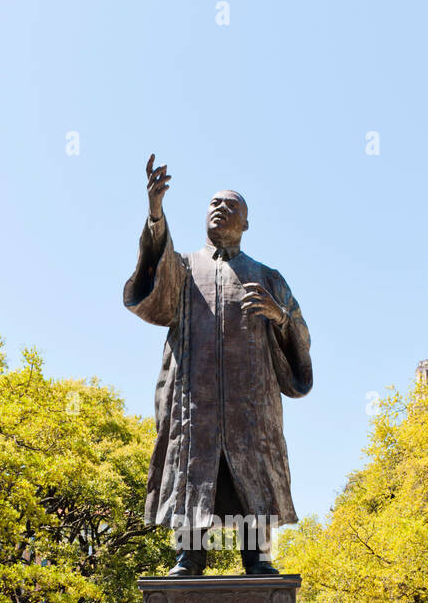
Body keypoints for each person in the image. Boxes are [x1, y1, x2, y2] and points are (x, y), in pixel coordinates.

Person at [125, 156, 314, 578]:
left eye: (231, 206)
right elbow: (155, 292)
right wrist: (155, 214)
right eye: (214, 203)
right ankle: (189, 558)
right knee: (192, 466)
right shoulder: (185, 267)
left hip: (252, 403)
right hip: (195, 400)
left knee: (253, 472)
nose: (221, 209)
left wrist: (280, 317)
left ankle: (258, 558)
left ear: (245, 223)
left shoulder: (267, 276)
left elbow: (300, 335)